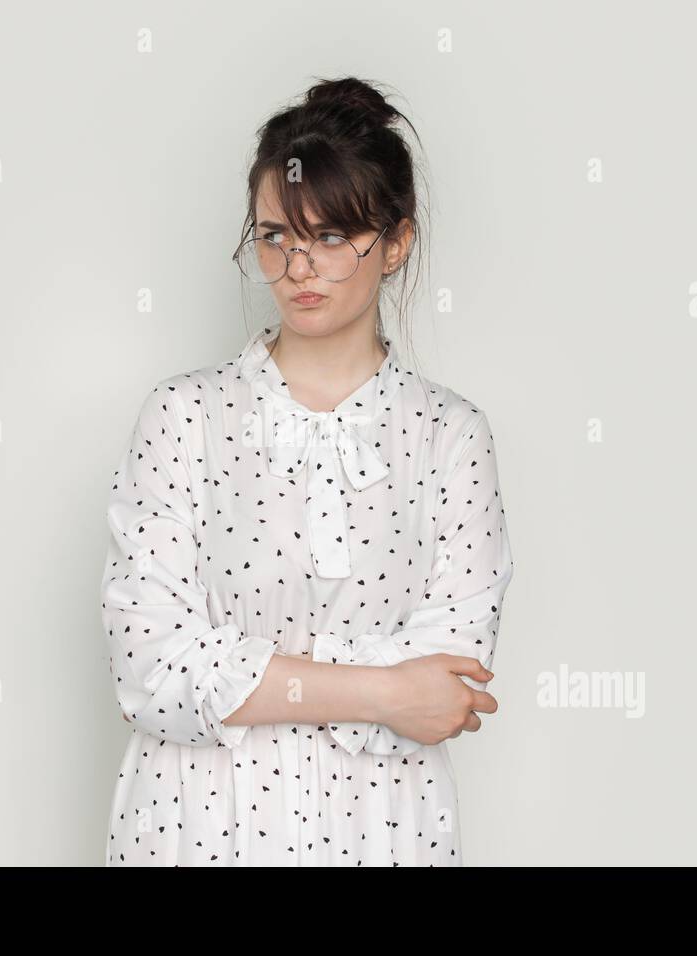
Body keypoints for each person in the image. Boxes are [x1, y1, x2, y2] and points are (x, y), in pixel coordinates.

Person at [100, 76, 514, 866]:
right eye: (275, 237)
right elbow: (153, 669)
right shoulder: (183, 418)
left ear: (395, 242)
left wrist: (243, 674)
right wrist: (386, 691)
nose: (298, 266)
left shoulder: (451, 439)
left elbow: (448, 688)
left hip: (382, 836)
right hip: (195, 833)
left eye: (331, 237)